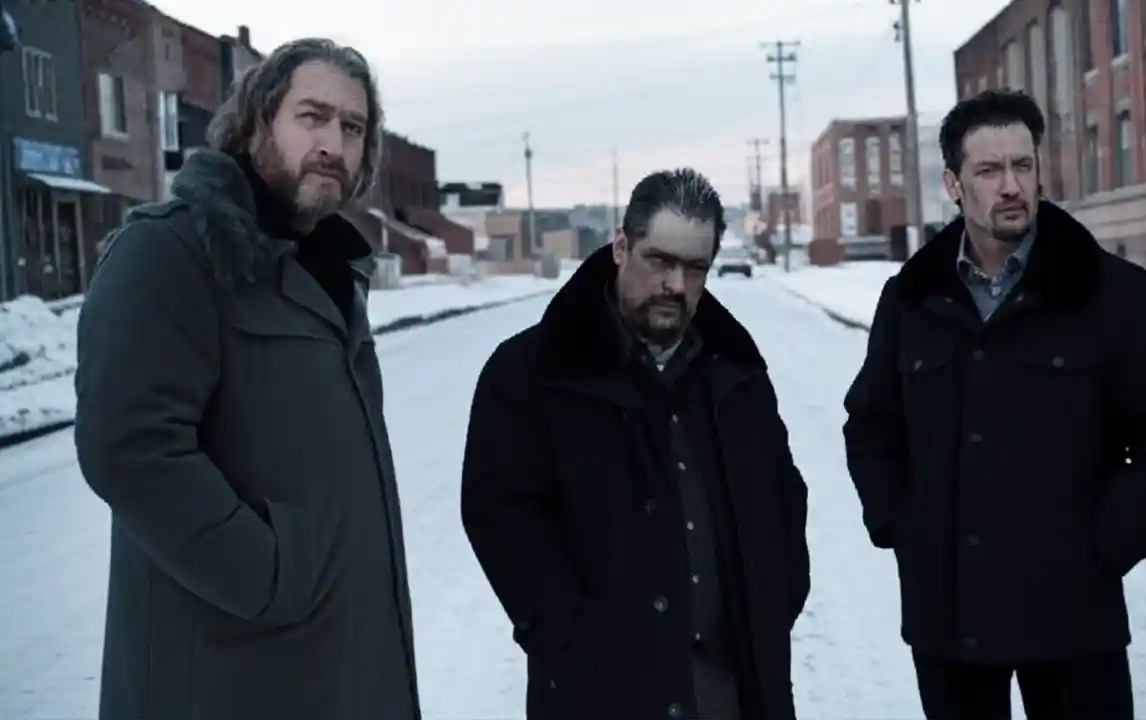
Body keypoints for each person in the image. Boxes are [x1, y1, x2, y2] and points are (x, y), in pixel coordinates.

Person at [842, 89, 1146, 719]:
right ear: (954, 185)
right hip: (949, 616)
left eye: (1022, 165)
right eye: (988, 171)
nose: (1010, 185)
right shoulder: (911, 300)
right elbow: (873, 425)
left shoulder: (1111, 293)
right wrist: (901, 523)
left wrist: (1107, 543)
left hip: (1072, 618)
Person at [74, 39, 419, 720]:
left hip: (331, 667)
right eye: (312, 116)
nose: (333, 143)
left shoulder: (328, 272)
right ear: (259, 123)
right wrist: (270, 573)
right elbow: (129, 448)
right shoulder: (171, 249)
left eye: (353, 128)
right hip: (226, 676)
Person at [461, 169, 810, 720]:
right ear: (621, 246)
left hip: (734, 693)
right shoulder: (532, 373)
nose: (675, 283)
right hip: (602, 694)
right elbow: (499, 516)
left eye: (695, 268)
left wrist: (772, 606)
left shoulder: (735, 376)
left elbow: (784, 500)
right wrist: (569, 640)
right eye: (660, 260)